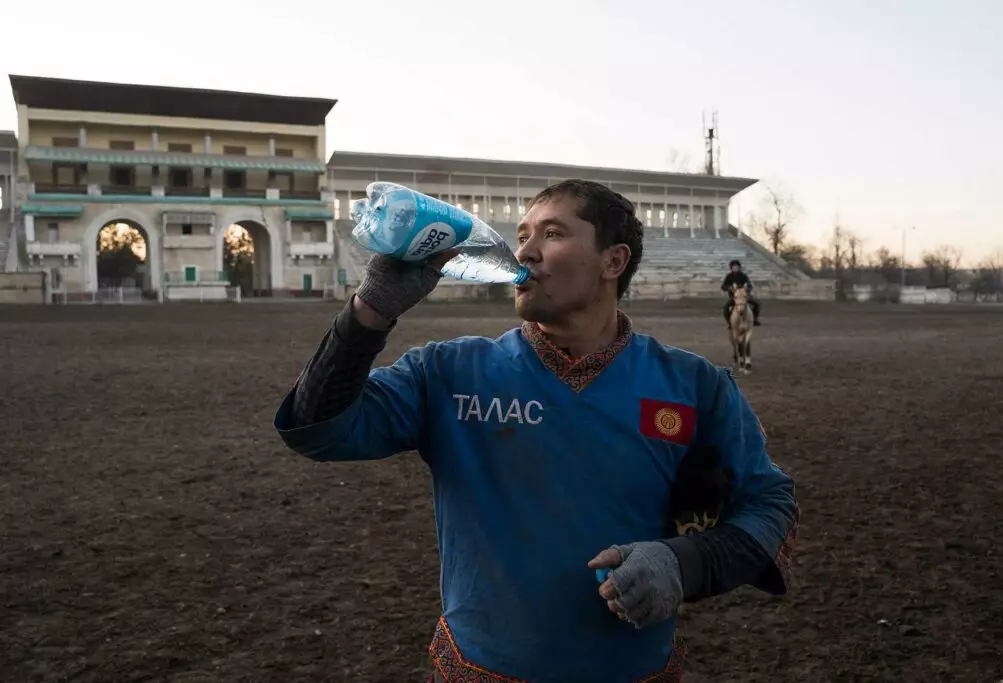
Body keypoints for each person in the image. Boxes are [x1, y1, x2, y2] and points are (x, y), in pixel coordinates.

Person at [274, 180, 799, 682]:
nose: (525, 252)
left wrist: (685, 563)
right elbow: (315, 428)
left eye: (552, 233)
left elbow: (769, 502)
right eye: (522, 236)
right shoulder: (448, 372)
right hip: (476, 675)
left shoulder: (695, 385)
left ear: (613, 262)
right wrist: (369, 312)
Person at [721, 259, 762, 327]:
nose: (735, 268)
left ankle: (754, 319)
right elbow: (723, 287)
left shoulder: (743, 275)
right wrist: (730, 288)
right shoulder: (729, 276)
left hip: (744, 296)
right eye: (733, 267)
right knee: (726, 307)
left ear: (739, 268)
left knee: (757, 304)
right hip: (734, 297)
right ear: (731, 268)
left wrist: (746, 289)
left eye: (736, 267)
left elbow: (750, 286)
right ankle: (730, 322)